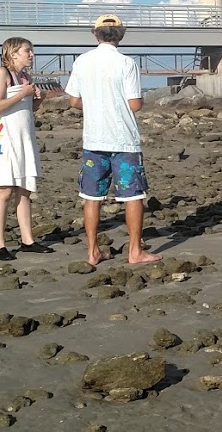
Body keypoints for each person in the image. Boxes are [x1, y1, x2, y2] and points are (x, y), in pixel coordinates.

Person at [64, 14, 161, 265]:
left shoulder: (82, 62)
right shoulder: (126, 63)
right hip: (123, 139)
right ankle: (134, 251)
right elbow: (135, 104)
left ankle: (93, 251)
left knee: (92, 197)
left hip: (93, 139)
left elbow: (74, 101)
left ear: (95, 34)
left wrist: (96, 104)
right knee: (132, 196)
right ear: (120, 34)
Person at [0, 37, 51, 261]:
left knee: (25, 190)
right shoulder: (1, 74)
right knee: (4, 191)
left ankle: (28, 240)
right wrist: (23, 94)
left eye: (31, 51)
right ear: (13, 53)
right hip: (4, 138)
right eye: (27, 51)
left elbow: (26, 110)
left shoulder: (25, 77)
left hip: (24, 137)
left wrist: (37, 101)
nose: (31, 55)